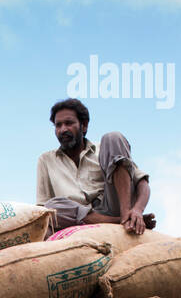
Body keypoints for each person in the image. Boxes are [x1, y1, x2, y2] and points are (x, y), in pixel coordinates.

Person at [36, 98, 156, 238]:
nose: (63, 129)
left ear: (84, 125)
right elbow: (41, 210)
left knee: (113, 137)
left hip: (112, 207)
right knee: (50, 206)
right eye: (58, 125)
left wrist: (137, 210)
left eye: (69, 123)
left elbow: (141, 182)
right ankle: (120, 222)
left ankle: (126, 216)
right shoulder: (46, 160)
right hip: (77, 220)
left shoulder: (103, 150)